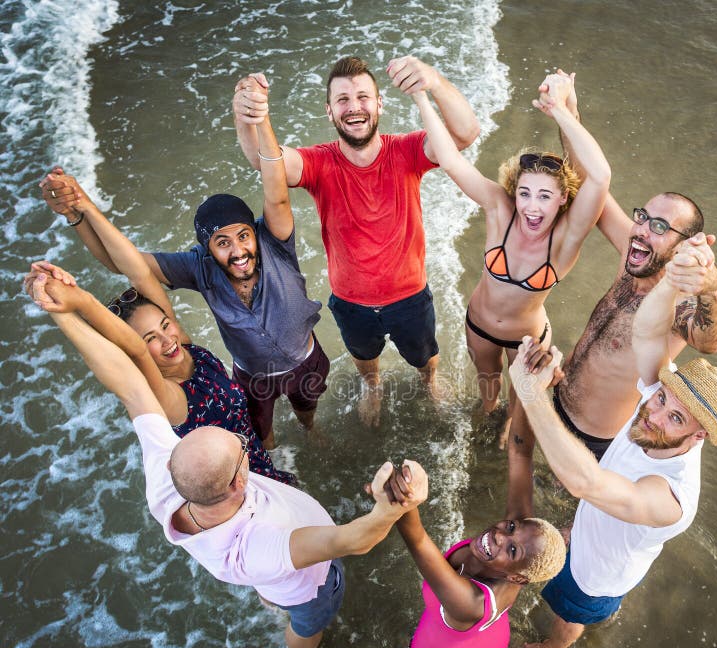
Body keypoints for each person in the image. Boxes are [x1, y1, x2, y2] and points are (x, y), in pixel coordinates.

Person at [26, 270, 429, 648]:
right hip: (306, 585)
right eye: (240, 447)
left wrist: (64, 307)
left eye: (165, 325)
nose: (167, 338)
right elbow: (353, 541)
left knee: (271, 578)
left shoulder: (169, 470)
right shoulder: (253, 545)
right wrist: (391, 506)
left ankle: (270, 595)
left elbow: (127, 383)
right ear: (241, 480)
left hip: (262, 545)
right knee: (307, 623)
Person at [41, 83, 327, 450]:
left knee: (307, 406)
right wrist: (79, 214)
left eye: (243, 236)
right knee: (261, 433)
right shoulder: (199, 268)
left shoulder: (274, 241)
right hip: (253, 375)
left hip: (305, 358)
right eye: (222, 243)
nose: (238, 251)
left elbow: (277, 192)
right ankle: (272, 453)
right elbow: (121, 263)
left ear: (253, 233)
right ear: (207, 249)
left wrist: (260, 118)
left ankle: (309, 429)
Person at [507, 249, 717, 648]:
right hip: (591, 530)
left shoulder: (673, 498)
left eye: (675, 418)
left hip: (596, 576)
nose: (654, 413)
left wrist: (530, 392)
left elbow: (586, 483)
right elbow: (646, 333)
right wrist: (673, 279)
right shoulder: (660, 399)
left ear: (698, 435)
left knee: (568, 613)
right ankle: (577, 543)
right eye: (662, 398)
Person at [233, 56, 480, 425]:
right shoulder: (319, 162)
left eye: (363, 97)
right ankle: (373, 385)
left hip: (410, 296)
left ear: (379, 104)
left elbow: (465, 134)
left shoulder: (408, 150)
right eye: (343, 100)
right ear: (330, 111)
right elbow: (263, 161)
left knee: (425, 355)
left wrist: (433, 81)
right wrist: (245, 115)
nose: (354, 107)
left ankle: (428, 382)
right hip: (351, 301)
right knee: (364, 355)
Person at [409, 71, 610, 449]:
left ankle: (508, 427)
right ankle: (489, 414)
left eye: (545, 196)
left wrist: (562, 110)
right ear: (514, 192)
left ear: (562, 199)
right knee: (488, 385)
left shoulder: (566, 239)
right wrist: (421, 95)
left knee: (521, 400)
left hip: (528, 340)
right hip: (479, 325)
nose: (532, 206)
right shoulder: (499, 209)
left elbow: (600, 176)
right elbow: (450, 160)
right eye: (525, 193)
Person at [547, 70, 717, 461]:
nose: (643, 230)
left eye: (660, 226)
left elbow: (710, 342)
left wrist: (711, 284)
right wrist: (569, 111)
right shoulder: (634, 254)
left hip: (591, 443)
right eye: (643, 217)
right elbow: (589, 182)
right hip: (554, 398)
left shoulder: (676, 301)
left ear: (684, 245)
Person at [387, 368, 566, 648]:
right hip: (488, 642)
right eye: (511, 527)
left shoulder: (469, 602)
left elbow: (416, 537)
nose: (500, 534)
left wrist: (403, 493)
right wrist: (529, 386)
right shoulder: (523, 554)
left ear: (517, 576)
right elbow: (520, 450)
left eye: (511, 548)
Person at [24, 259, 295, 484]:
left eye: (165, 325)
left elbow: (141, 273)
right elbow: (136, 352)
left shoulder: (186, 351)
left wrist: (80, 212)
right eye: (150, 338)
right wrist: (75, 303)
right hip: (242, 490)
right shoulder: (167, 395)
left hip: (259, 461)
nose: (167, 340)